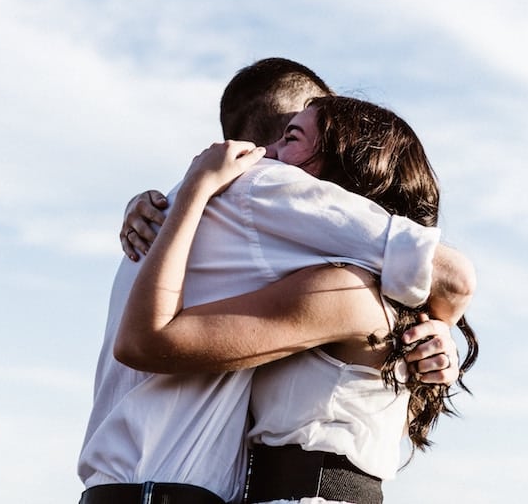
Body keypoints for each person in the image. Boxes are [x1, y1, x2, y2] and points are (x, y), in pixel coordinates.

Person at [78, 58, 474, 504]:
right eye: (289, 134)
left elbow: (453, 279)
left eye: (296, 139)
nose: (272, 162)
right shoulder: (261, 214)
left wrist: (437, 326)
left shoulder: (347, 290)